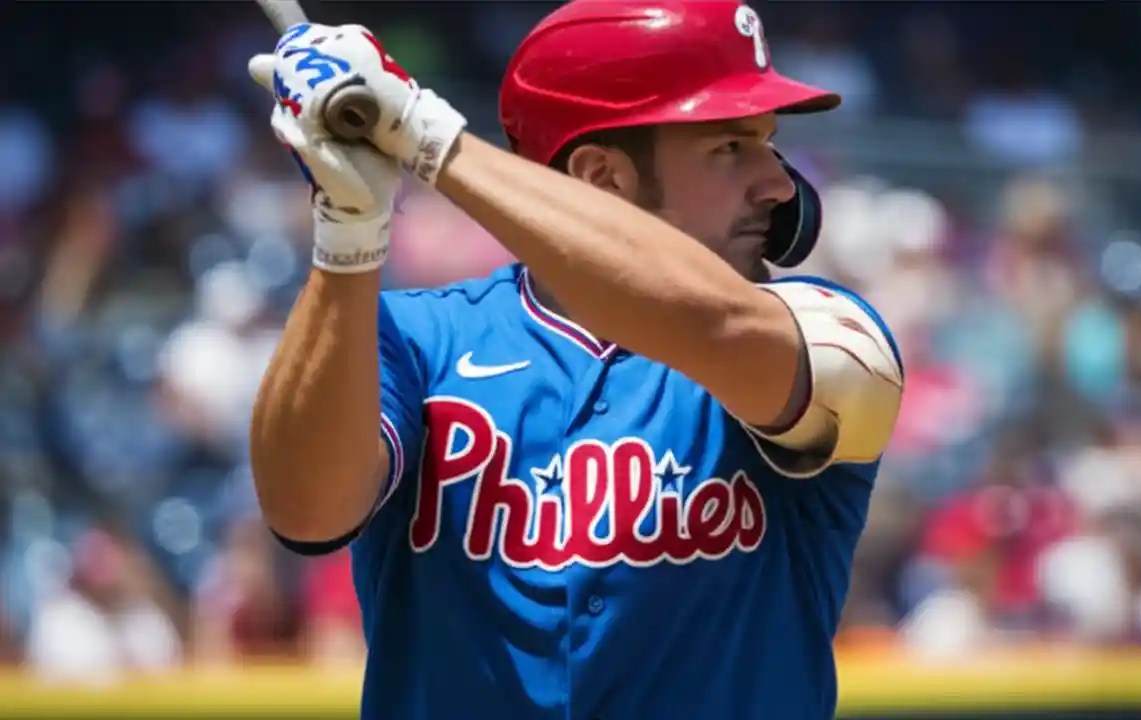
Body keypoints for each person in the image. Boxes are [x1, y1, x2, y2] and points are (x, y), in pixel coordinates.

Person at [247, 1, 904, 718]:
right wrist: (348, 226)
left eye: (767, 142)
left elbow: (713, 324)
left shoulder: (827, 332)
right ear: (600, 178)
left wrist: (424, 134)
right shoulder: (416, 336)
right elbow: (305, 513)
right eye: (730, 147)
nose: (779, 184)